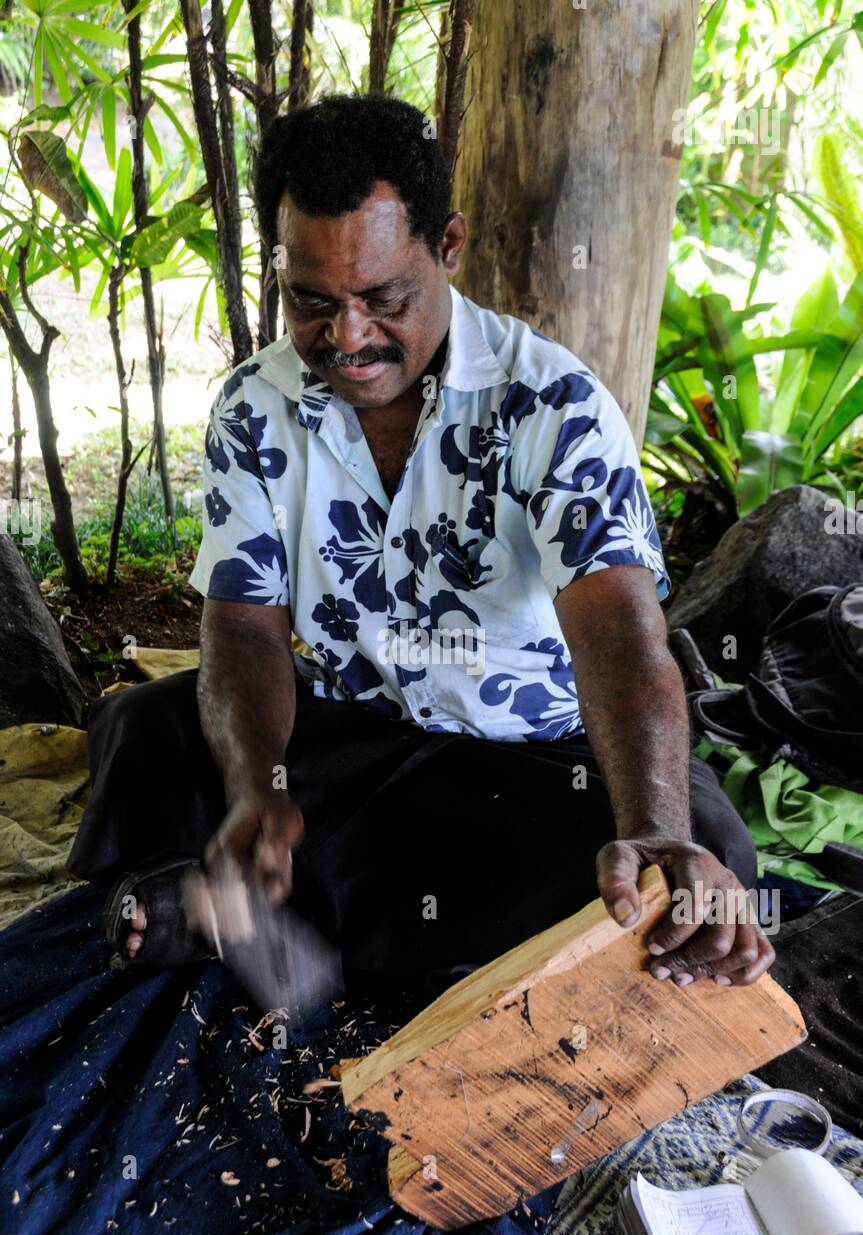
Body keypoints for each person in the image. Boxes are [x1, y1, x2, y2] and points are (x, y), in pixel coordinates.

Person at [68, 93, 772, 994]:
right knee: (144, 729)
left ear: (447, 247)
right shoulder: (254, 405)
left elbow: (619, 636)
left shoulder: (549, 404)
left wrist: (654, 824)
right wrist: (261, 783)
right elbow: (242, 628)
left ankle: (241, 910)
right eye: (310, 302)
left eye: (382, 298)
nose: (347, 337)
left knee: (700, 850)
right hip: (341, 737)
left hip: (522, 758)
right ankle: (318, 903)